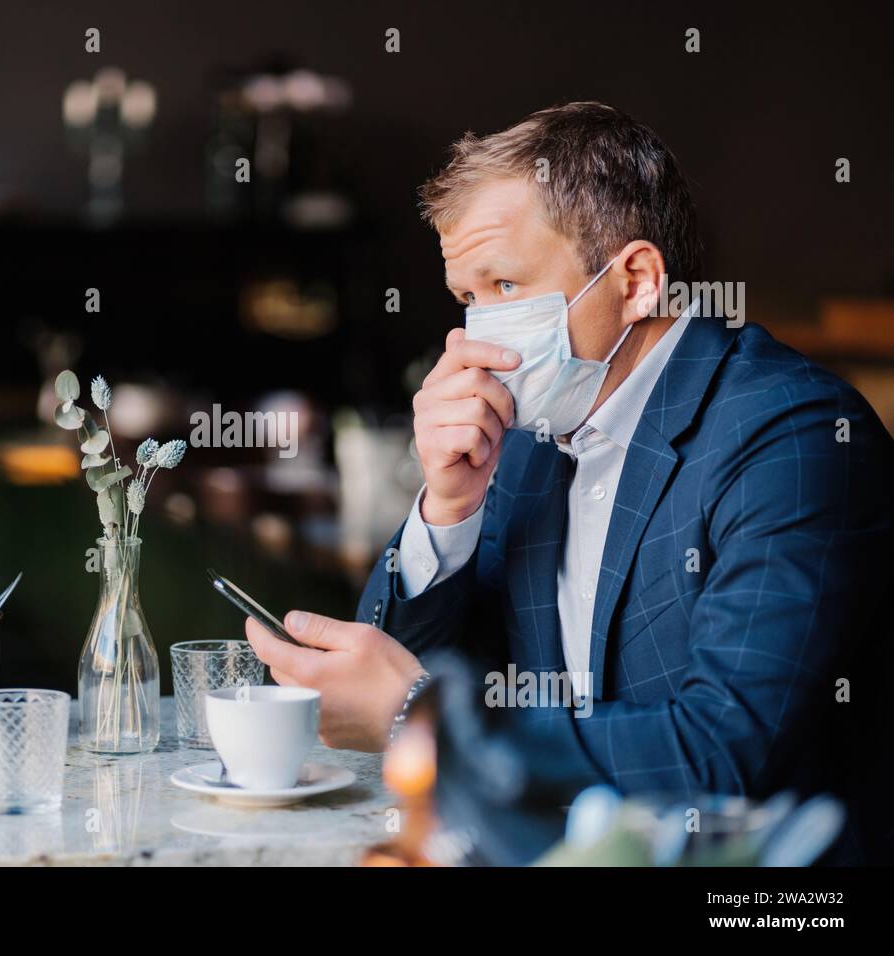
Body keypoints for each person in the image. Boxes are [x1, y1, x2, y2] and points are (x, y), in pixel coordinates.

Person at [243, 102, 894, 862]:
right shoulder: (526, 439)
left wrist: (418, 712)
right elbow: (402, 680)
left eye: (506, 285)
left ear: (638, 280)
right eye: (468, 298)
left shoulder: (794, 436)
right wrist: (446, 509)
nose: (476, 334)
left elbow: (726, 757)